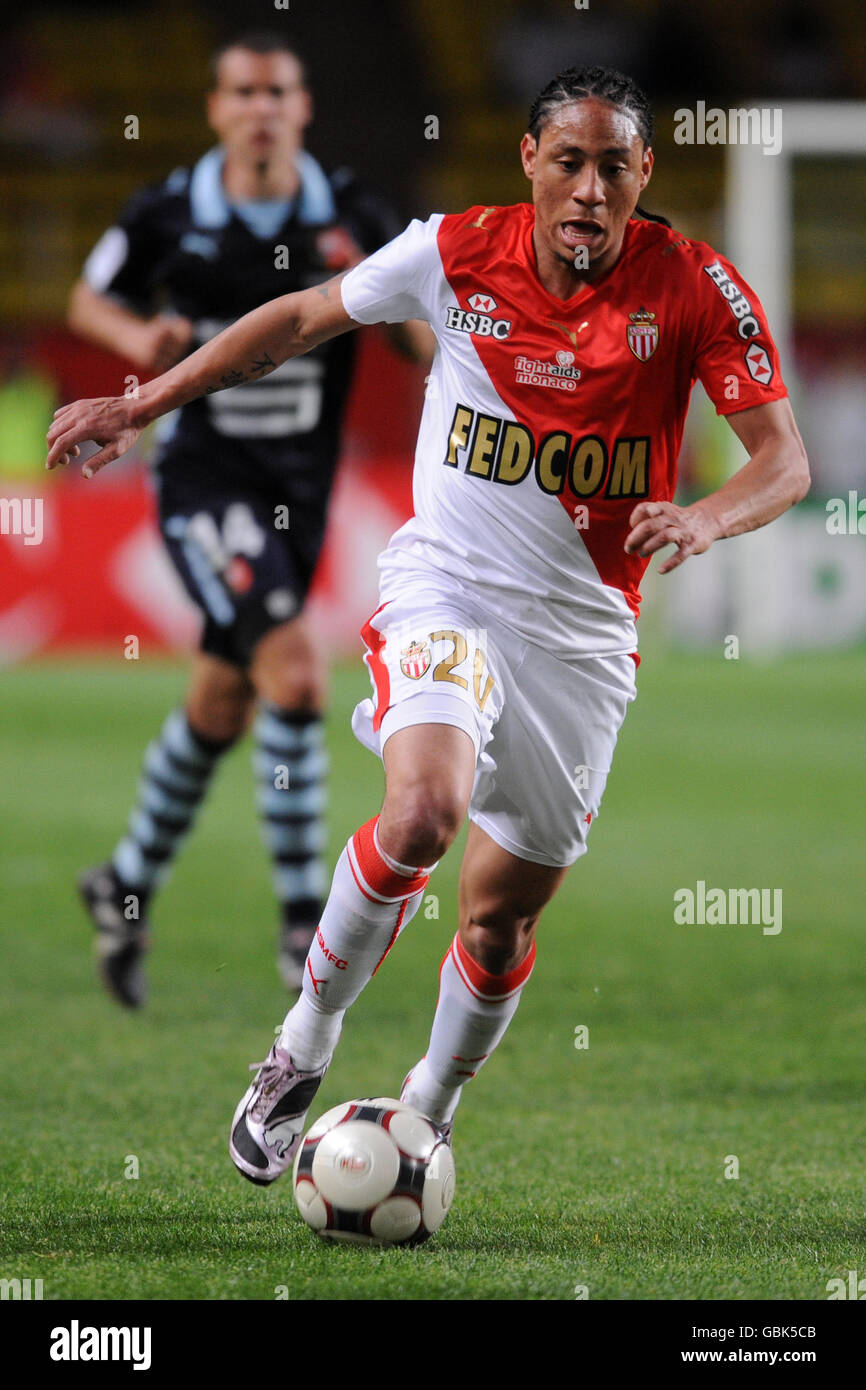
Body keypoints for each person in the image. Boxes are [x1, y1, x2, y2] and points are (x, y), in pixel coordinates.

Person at [48, 65, 809, 1183]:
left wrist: (702, 517)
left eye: (612, 166)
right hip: (447, 586)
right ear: (530, 165)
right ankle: (299, 1045)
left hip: (582, 634)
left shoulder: (693, 286)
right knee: (421, 810)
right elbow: (303, 315)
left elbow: (784, 461)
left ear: (643, 173)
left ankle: (427, 1107)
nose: (588, 189)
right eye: (568, 162)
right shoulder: (453, 251)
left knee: (496, 921)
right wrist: (142, 399)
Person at [67, 31, 431, 1006]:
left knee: (222, 702)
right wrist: (135, 334)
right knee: (296, 672)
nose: (261, 107)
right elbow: (88, 298)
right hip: (203, 482)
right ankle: (301, 922)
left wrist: (409, 317)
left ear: (301, 107)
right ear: (217, 108)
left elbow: (411, 336)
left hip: (300, 493)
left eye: (278, 90)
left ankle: (125, 880)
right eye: (244, 92)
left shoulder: (351, 212)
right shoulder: (168, 211)